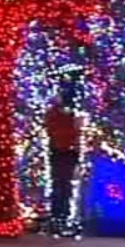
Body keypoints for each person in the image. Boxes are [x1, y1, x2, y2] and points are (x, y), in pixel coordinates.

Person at [46, 96, 81, 235]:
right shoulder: (65, 118)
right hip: (64, 152)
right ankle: (62, 216)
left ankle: (59, 216)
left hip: (61, 152)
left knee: (60, 184)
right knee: (64, 185)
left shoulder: (56, 117)